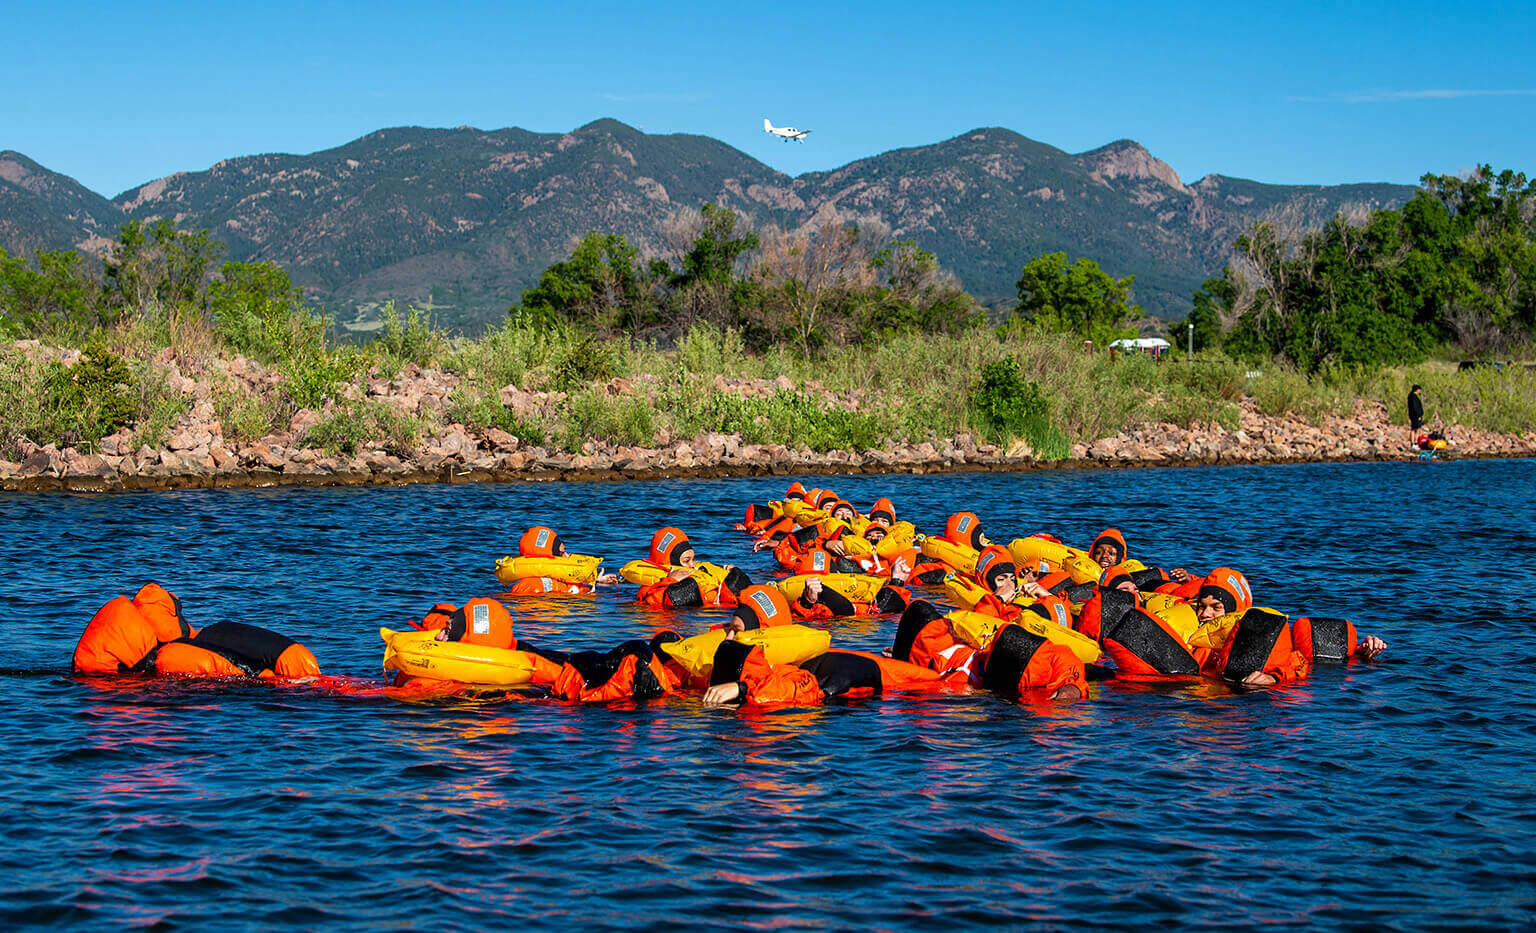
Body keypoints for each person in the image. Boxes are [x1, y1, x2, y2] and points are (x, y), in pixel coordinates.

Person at [1408, 384, 1425, 449]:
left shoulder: (1410, 396)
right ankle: (1414, 443)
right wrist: (1418, 415)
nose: (1419, 391)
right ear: (1416, 390)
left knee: (1413, 429)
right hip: (1415, 416)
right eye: (1419, 390)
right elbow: (1415, 407)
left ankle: (1413, 444)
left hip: (1412, 415)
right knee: (1417, 429)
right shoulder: (1413, 397)